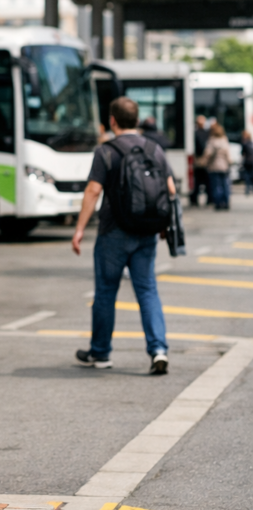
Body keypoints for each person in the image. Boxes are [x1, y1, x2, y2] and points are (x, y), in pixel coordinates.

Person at [72, 96, 175, 375]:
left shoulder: (106, 151)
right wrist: (165, 225)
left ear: (112, 120)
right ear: (138, 119)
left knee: (106, 292)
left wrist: (80, 228)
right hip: (146, 232)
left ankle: (101, 352)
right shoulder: (155, 149)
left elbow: (93, 191)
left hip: (113, 233)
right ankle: (158, 350)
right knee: (147, 290)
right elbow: (170, 190)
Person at [199, 121, 232, 210]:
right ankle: (226, 202)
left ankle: (218, 203)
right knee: (225, 185)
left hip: (214, 167)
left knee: (216, 185)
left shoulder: (212, 141)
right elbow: (228, 154)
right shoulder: (224, 140)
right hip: (224, 166)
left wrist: (203, 161)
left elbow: (208, 153)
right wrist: (229, 162)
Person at [190, 116, 209, 207]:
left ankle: (195, 200)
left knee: (199, 180)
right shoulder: (205, 133)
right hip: (201, 159)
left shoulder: (195, 133)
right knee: (201, 180)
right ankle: (197, 199)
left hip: (200, 159)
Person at [241, 131, 253, 196]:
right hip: (252, 162)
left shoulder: (245, 144)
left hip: (247, 162)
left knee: (247, 176)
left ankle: (247, 190)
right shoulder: (251, 143)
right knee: (251, 175)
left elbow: (242, 154)